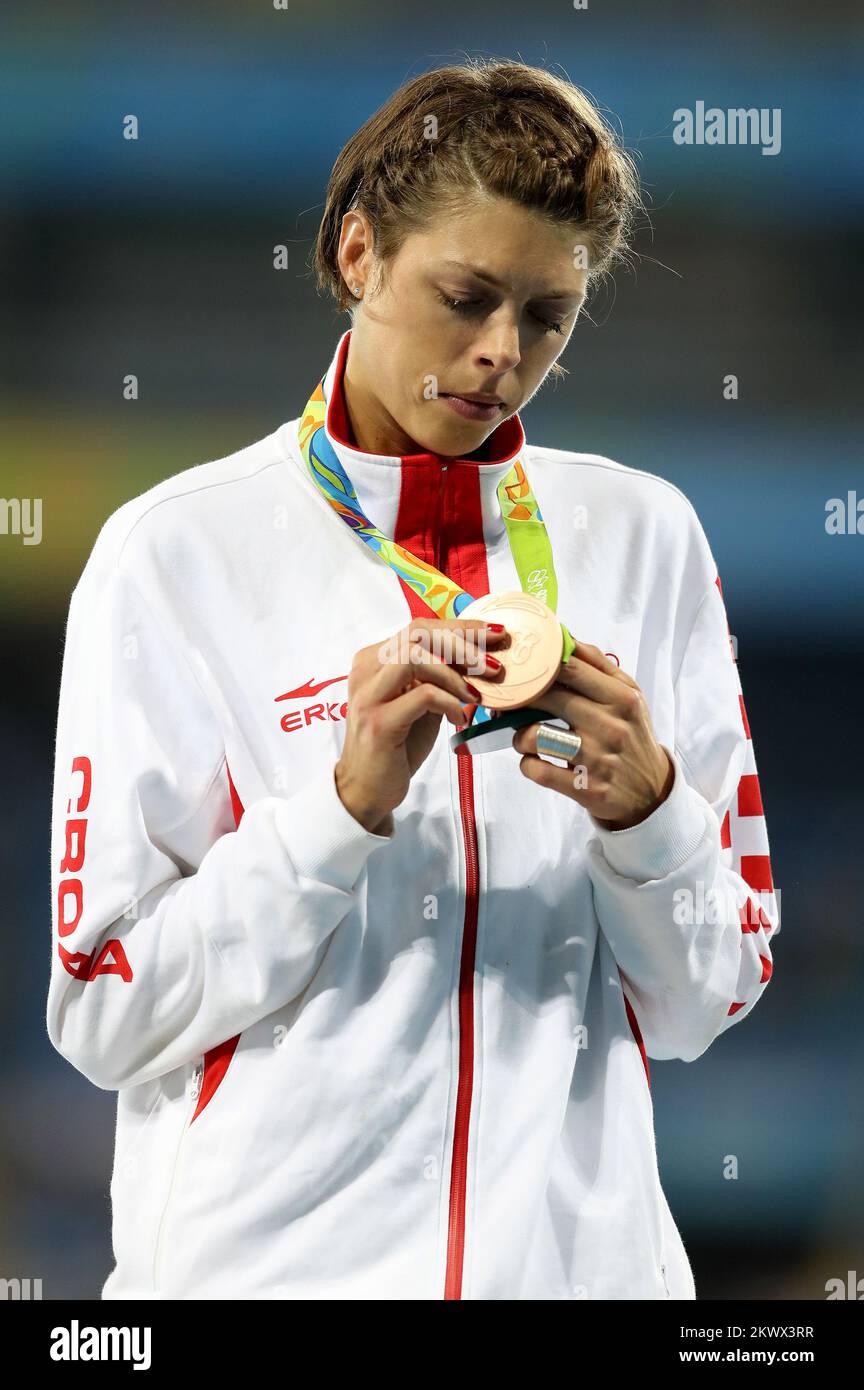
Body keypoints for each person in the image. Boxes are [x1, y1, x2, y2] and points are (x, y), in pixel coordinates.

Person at [47, 58, 778, 1300]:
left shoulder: (647, 539)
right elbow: (106, 1016)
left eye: (549, 315)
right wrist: (335, 818)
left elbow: (714, 992)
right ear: (356, 255)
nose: (501, 352)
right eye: (466, 295)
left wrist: (651, 816)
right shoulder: (174, 554)